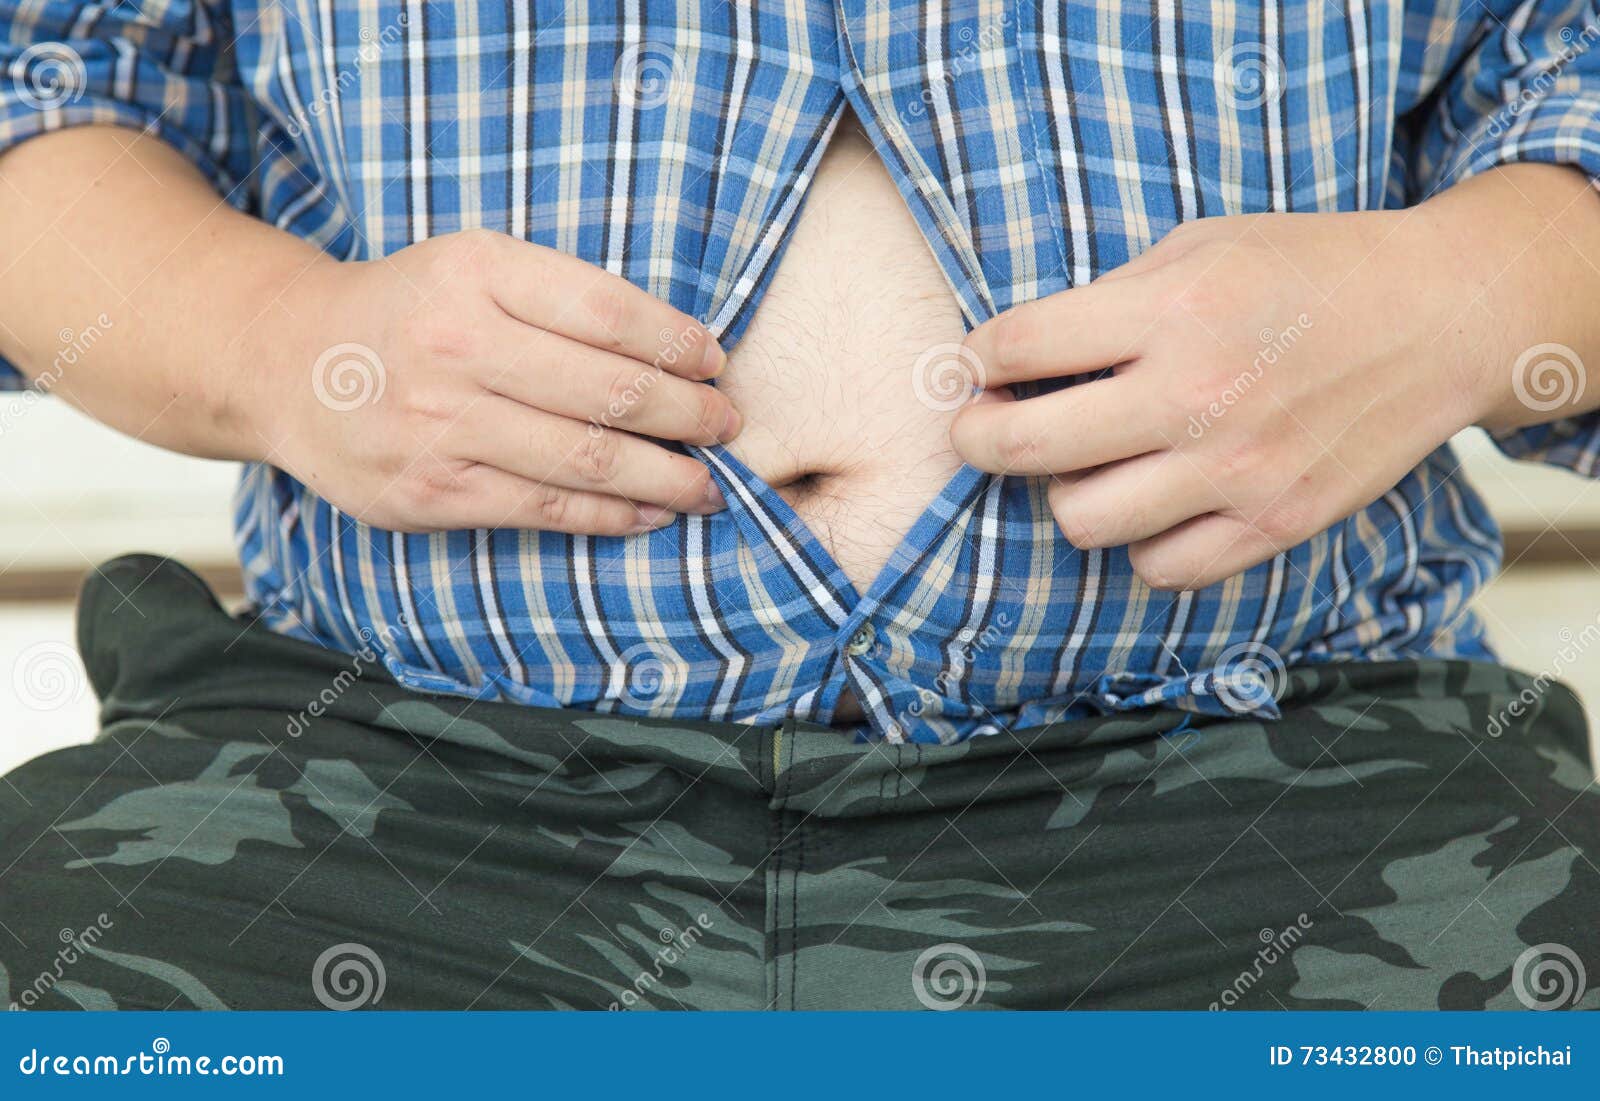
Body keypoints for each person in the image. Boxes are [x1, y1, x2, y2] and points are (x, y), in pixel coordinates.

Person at [0, 1, 1596, 1010]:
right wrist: (276, 341)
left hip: (1294, 790)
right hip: (381, 797)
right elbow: (47, 82)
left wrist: (1459, 301)